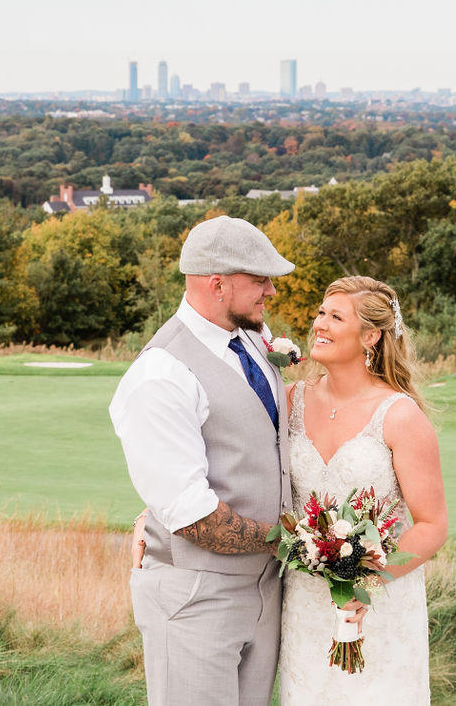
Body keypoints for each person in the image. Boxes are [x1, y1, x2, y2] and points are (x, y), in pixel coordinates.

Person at [110, 215, 295, 706]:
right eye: (259, 280)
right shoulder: (160, 376)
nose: (271, 292)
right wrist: (299, 543)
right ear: (218, 284)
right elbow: (193, 517)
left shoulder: (252, 338)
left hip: (263, 591)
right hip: (196, 598)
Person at [276, 275, 446, 703]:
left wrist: (365, 584)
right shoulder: (290, 398)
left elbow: (431, 525)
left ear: (370, 335)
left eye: (335, 317)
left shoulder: (400, 416)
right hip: (306, 603)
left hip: (380, 603)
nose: (320, 325)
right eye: (319, 314)